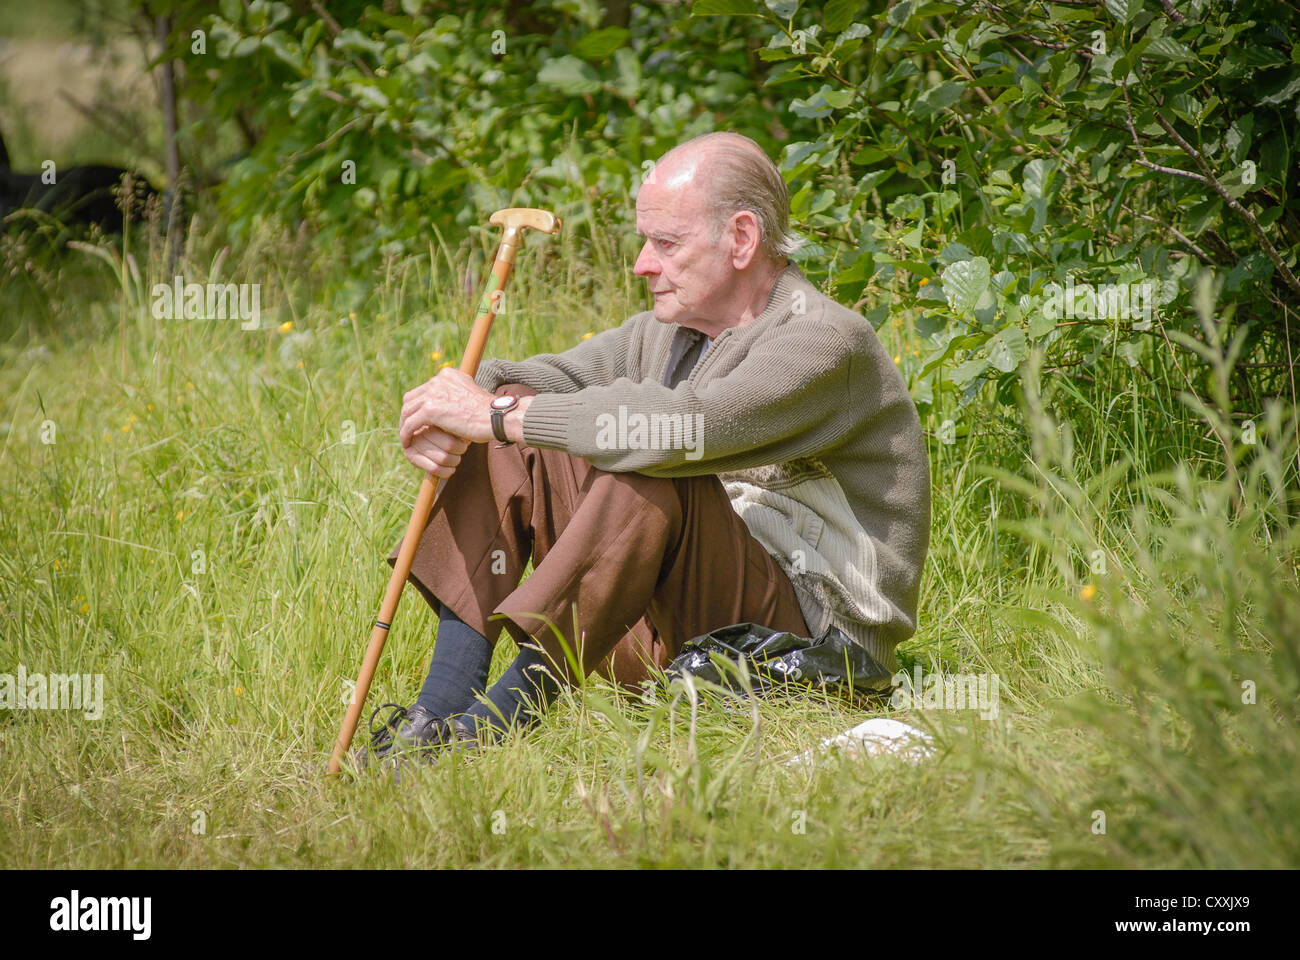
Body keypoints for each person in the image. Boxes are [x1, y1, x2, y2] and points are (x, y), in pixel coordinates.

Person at [360, 131, 930, 764]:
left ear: (741, 239)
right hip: (679, 632)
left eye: (666, 243)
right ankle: (437, 713)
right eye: (644, 240)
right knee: (509, 422)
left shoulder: (822, 339)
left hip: (806, 653)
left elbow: (688, 429)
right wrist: (457, 404)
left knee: (650, 457)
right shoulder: (670, 332)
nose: (641, 263)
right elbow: (533, 382)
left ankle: (489, 730)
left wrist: (492, 413)